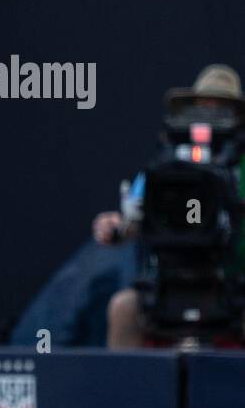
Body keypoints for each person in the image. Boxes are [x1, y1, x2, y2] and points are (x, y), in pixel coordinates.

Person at [96, 64, 244, 348]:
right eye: (205, 104)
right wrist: (115, 226)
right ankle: (126, 392)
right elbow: (134, 217)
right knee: (123, 309)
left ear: (236, 115)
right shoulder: (166, 163)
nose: (210, 113)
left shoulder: (242, 167)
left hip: (230, 285)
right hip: (170, 284)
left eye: (221, 107)